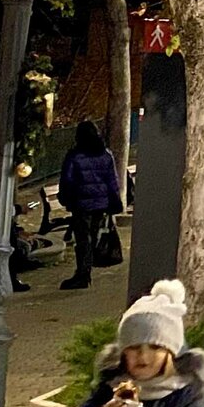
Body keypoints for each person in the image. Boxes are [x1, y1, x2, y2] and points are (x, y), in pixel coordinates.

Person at [63, 280, 204, 407]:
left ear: (170, 353)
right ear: (123, 352)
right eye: (134, 347)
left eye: (155, 347)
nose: (143, 356)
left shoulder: (185, 391)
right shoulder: (110, 387)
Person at [58, 121, 123, 290]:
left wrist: (66, 198)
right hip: (100, 204)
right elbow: (112, 181)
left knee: (83, 239)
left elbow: (67, 180)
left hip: (81, 204)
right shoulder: (105, 155)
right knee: (93, 237)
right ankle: (86, 270)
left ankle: (82, 273)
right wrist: (115, 201)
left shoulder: (75, 156)